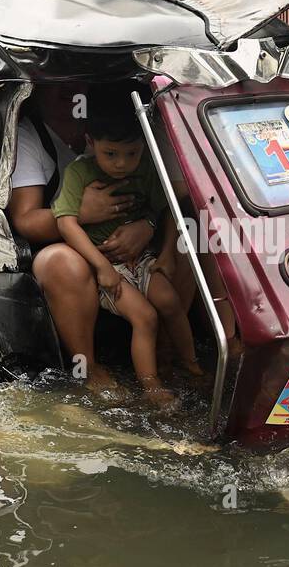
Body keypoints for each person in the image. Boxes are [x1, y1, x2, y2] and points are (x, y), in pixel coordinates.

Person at [5, 93, 159, 390]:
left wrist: (148, 226)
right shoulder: (30, 135)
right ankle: (86, 366)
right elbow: (25, 220)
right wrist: (81, 212)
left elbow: (166, 200)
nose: (71, 94)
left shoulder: (122, 126)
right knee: (64, 262)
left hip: (132, 239)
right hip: (63, 246)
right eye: (60, 87)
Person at [51, 109, 200, 407]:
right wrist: (102, 267)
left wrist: (168, 252)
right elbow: (65, 222)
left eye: (131, 153)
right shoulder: (79, 173)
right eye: (111, 153)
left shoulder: (146, 169)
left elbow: (169, 207)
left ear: (144, 146)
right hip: (106, 266)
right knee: (145, 317)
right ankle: (151, 385)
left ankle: (191, 364)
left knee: (169, 301)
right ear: (90, 142)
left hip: (141, 258)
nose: (121, 163)